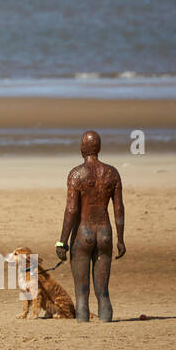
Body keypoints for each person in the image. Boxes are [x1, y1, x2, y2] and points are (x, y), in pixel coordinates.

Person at [55, 130, 126, 322]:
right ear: (99, 148)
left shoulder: (76, 174)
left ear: (83, 148)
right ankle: (106, 323)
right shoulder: (112, 173)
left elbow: (71, 210)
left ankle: (83, 324)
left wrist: (61, 242)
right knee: (103, 291)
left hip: (83, 234)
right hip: (105, 233)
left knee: (81, 292)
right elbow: (119, 209)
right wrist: (120, 240)